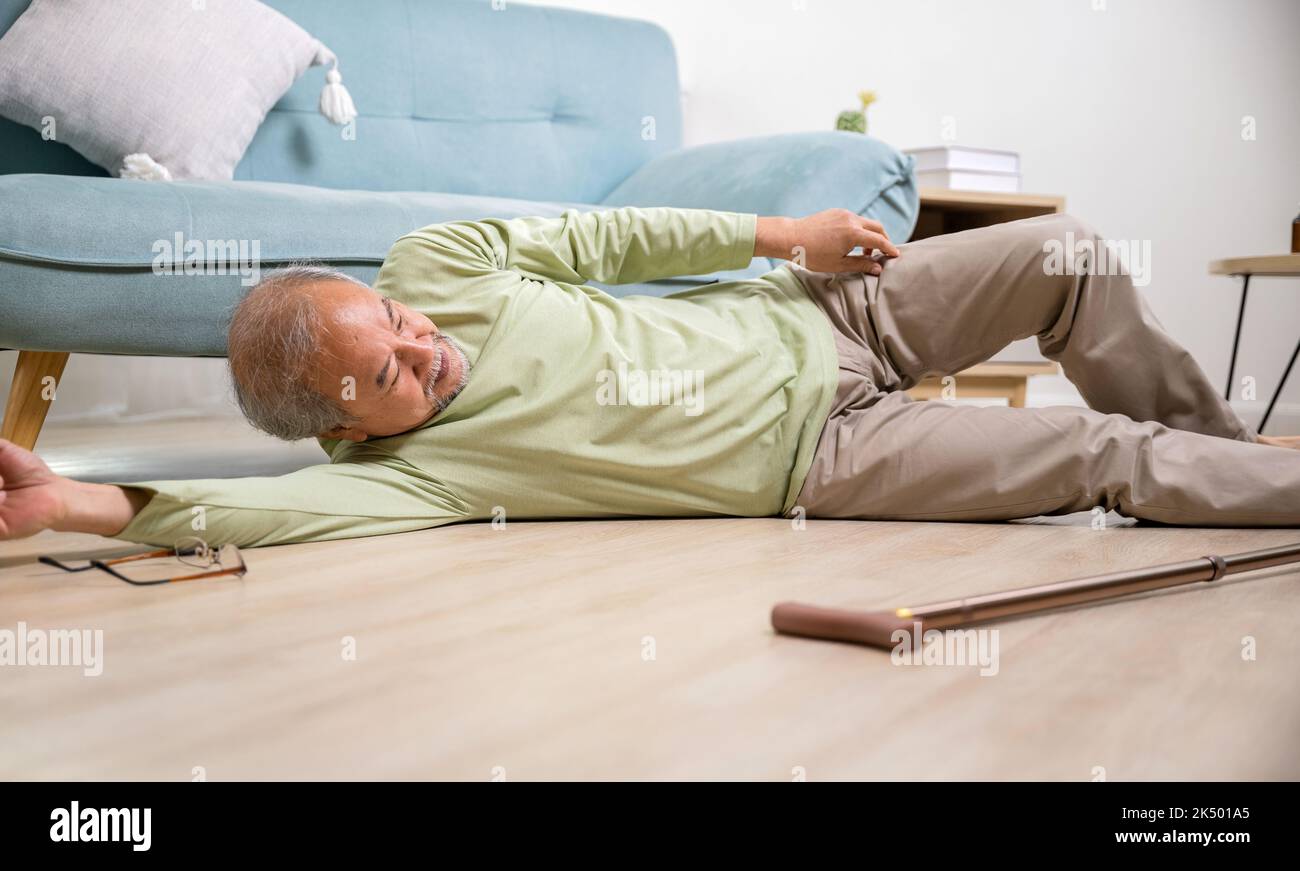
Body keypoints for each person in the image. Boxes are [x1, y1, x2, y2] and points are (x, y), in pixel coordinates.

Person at [2, 207, 1297, 548]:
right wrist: (71, 501)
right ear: (345, 432)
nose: (420, 347)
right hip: (826, 462)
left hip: (823, 312)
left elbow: (602, 240)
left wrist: (788, 241)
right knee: (1092, 458)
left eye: (392, 321)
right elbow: (270, 513)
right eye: (387, 376)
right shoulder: (419, 478)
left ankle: (1237, 461)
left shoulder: (433, 266)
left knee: (1070, 254)